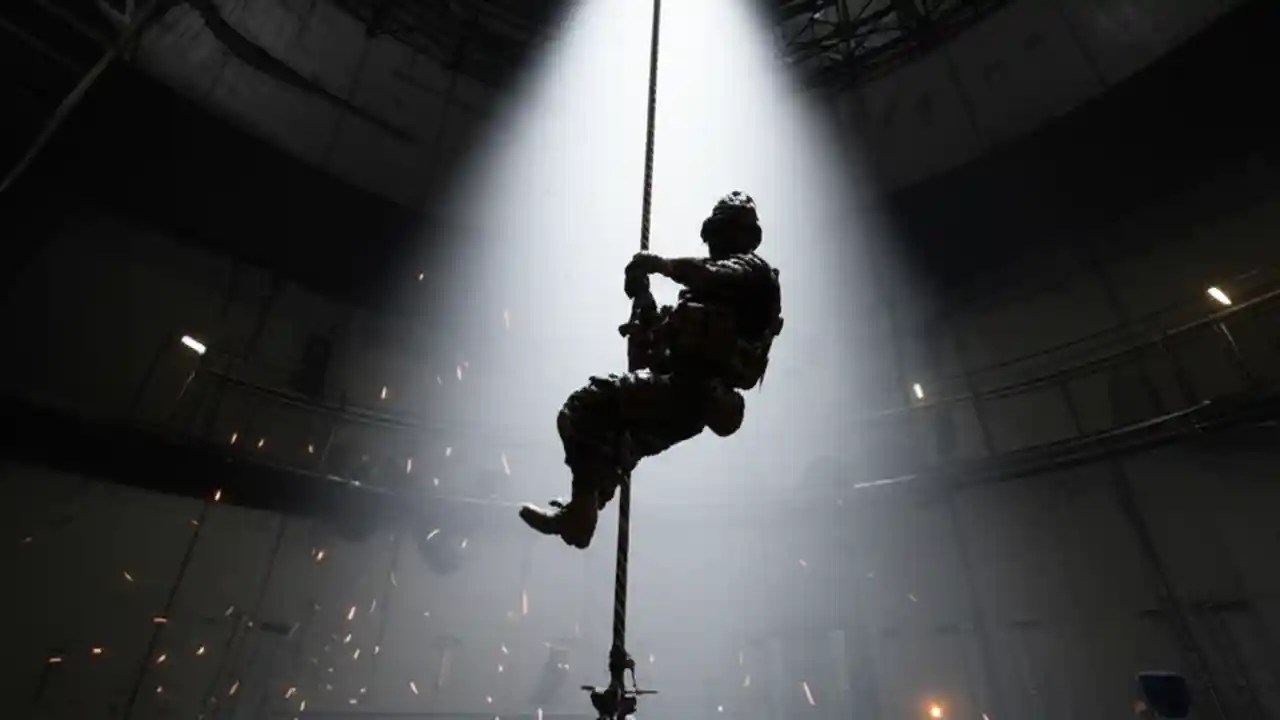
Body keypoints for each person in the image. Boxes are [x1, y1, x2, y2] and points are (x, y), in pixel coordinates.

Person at [519, 191, 784, 548]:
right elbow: (658, 355)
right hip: (681, 395)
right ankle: (585, 507)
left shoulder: (753, 275)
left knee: (584, 407)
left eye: (724, 232)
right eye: (714, 233)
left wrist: (661, 265)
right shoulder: (701, 297)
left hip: (697, 394)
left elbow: (712, 275)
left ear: (745, 237)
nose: (715, 242)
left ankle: (581, 517)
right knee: (614, 443)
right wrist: (645, 310)